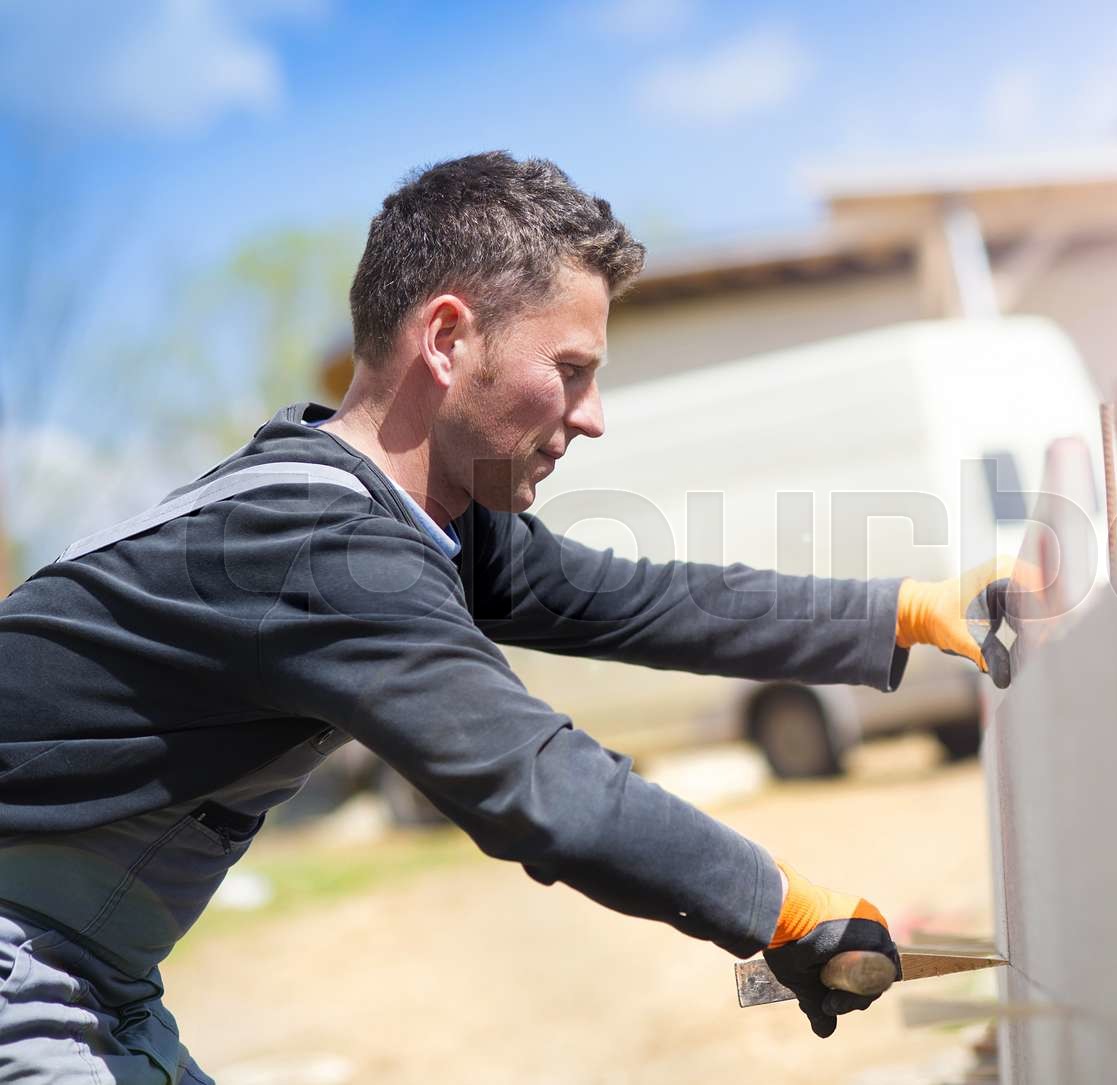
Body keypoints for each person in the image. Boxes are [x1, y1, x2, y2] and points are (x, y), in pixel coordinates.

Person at [0, 151, 1017, 1083]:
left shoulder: (396, 516)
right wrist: (788, 912)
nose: (593, 414)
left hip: (92, 971)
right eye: (570, 369)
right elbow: (544, 786)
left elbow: (644, 600)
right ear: (447, 338)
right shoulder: (320, 543)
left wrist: (909, 611)